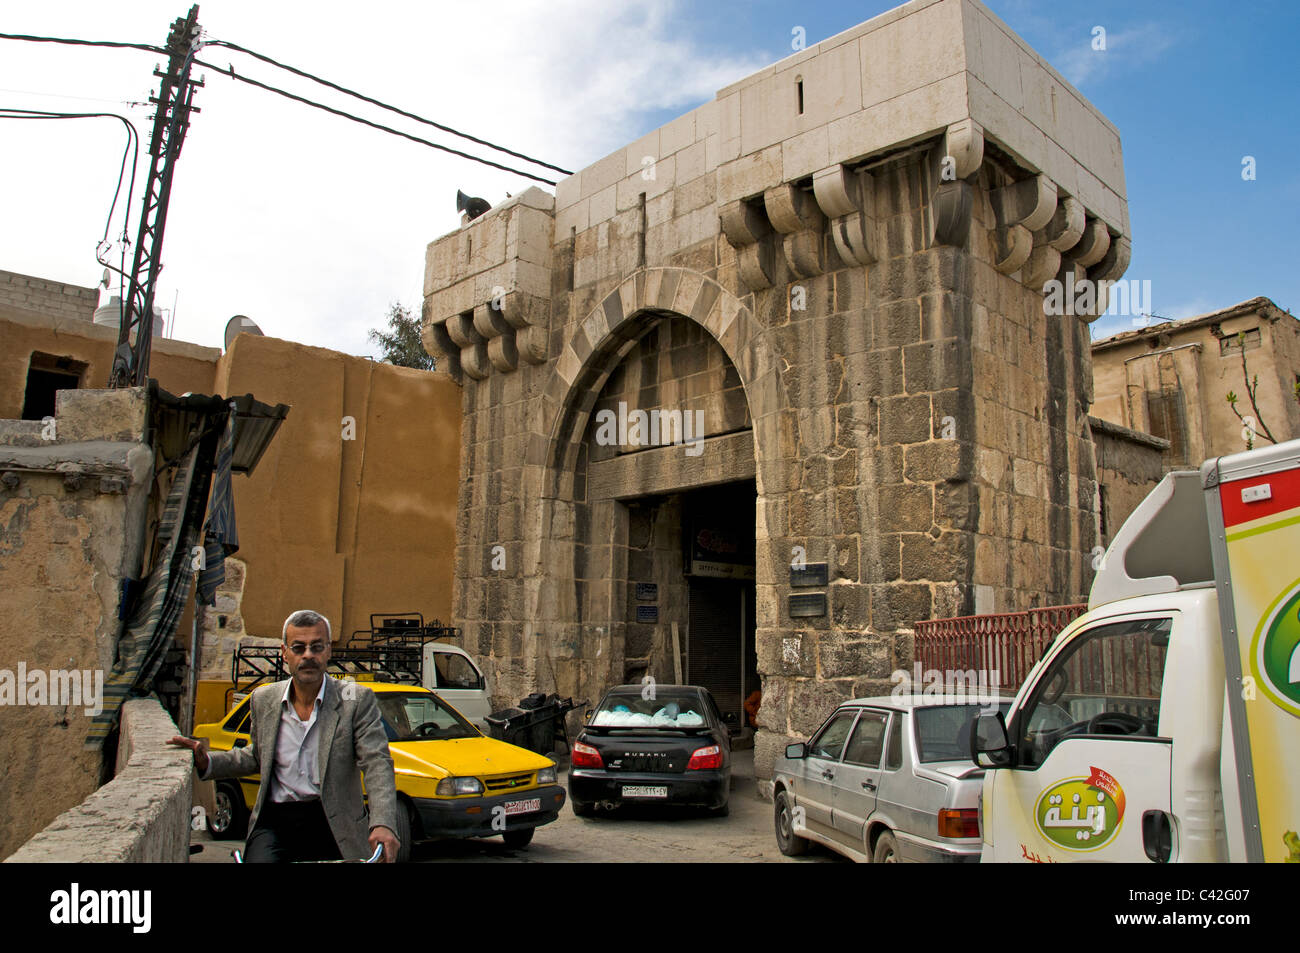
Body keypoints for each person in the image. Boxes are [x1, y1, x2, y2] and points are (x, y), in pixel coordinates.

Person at [169, 609, 400, 862]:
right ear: (285, 653)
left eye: (317, 647)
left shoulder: (355, 700)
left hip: (334, 819)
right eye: (298, 648)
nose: (308, 655)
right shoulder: (263, 699)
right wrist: (208, 762)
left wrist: (383, 823)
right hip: (275, 820)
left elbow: (377, 762)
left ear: (329, 651)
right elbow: (256, 756)